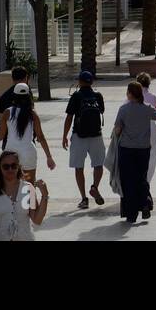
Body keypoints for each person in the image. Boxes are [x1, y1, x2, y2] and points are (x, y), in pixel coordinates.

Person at [112, 81, 156, 224]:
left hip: (126, 149)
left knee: (128, 180)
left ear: (129, 94)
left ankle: (131, 214)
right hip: (143, 149)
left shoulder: (123, 109)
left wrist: (120, 131)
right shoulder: (146, 108)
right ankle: (145, 203)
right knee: (141, 177)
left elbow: (117, 129)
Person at [0, 149, 48, 241]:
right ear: (0, 168)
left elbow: (37, 220)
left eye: (14, 166)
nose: (10, 169)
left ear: (19, 167)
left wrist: (44, 196)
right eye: (6, 166)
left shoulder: (28, 189)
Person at [62, 70, 106, 209]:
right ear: (92, 82)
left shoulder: (76, 96)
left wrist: (64, 135)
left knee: (79, 167)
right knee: (98, 165)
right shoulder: (97, 96)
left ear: (80, 82)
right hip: (96, 135)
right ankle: (94, 186)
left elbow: (69, 117)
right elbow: (102, 111)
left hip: (79, 136)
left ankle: (84, 198)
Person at [0, 83, 56, 180]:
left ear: (14, 96)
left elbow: (0, 136)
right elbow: (40, 137)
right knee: (29, 185)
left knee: (11, 186)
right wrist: (49, 157)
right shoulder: (33, 114)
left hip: (10, 154)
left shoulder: (7, 112)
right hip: (28, 153)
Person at [135, 72, 156, 184]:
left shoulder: (131, 97)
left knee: (136, 158)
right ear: (149, 84)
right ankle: (146, 183)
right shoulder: (153, 97)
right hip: (151, 129)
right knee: (152, 157)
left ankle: (137, 183)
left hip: (135, 130)